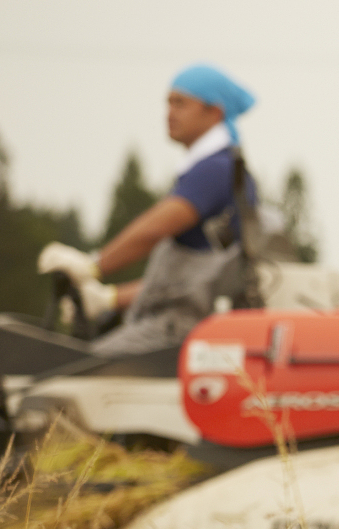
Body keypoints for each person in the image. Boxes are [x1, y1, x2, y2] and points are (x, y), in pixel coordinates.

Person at [38, 64, 259, 358]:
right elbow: (191, 281)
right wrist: (109, 298)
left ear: (214, 112)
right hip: (185, 326)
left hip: (176, 332)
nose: (169, 112)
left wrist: (93, 265)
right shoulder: (226, 168)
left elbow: (153, 229)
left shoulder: (214, 170)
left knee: (64, 375)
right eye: (168, 103)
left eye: (180, 103)